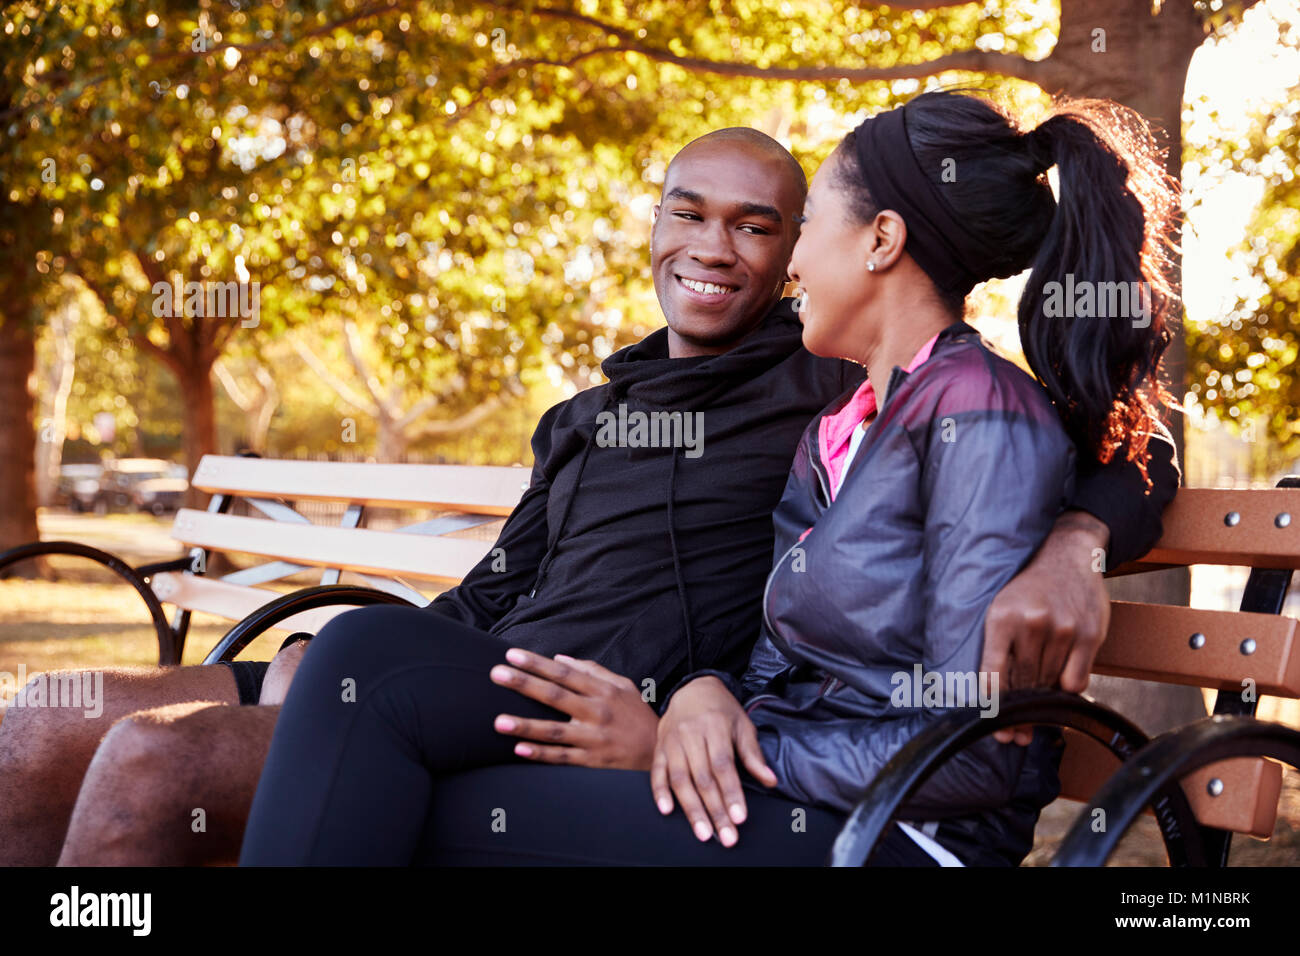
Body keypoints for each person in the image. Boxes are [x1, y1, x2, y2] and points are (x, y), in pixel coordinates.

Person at [238, 89, 1180, 866]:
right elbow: (780, 658)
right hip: (802, 795)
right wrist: (702, 697)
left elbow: (973, 758)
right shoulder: (844, 424)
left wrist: (702, 743)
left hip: (902, 838)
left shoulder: (976, 414)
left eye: (804, 225)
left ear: (882, 240)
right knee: (370, 667)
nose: (792, 260)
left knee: (428, 774)